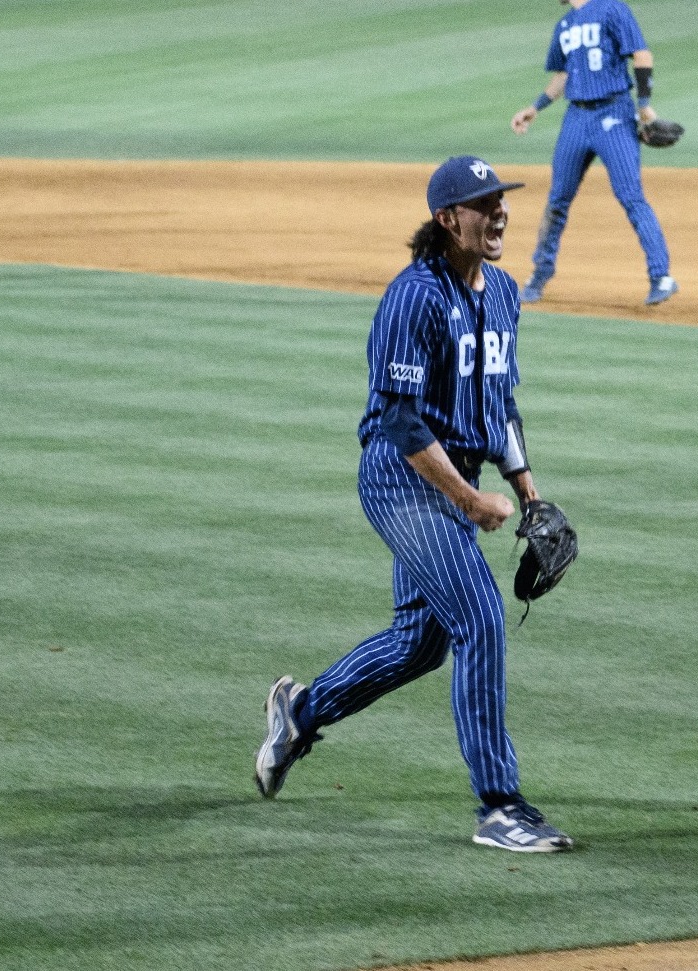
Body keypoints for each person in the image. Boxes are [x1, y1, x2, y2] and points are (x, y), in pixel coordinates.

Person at [256, 156, 575, 854]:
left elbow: (501, 404)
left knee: (421, 641)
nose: (499, 214)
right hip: (402, 477)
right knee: (483, 618)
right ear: (446, 218)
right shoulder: (414, 297)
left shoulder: (505, 294)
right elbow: (400, 423)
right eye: (482, 204)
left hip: (452, 478)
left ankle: (300, 714)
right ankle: (500, 805)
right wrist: (468, 498)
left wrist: (528, 493)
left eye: (501, 201)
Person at [510, 0, 677, 307]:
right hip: (576, 118)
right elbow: (563, 76)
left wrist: (643, 105)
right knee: (558, 199)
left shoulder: (612, 9)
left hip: (614, 112)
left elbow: (642, 55)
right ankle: (539, 273)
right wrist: (535, 108)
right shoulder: (564, 25)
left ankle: (661, 276)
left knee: (631, 196)